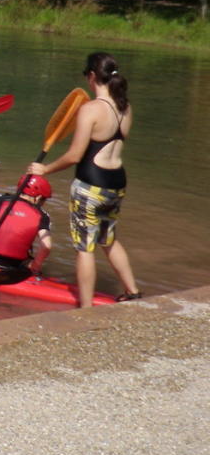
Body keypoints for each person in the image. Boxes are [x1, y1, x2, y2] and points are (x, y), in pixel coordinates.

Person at [28, 52, 141, 306]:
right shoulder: (125, 107)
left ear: (91, 76)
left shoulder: (90, 109)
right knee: (108, 239)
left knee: (84, 247)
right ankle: (132, 292)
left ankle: (86, 308)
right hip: (117, 183)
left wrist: (44, 170)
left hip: (91, 184)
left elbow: (75, 155)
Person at [0, 174, 52, 274]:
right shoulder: (42, 215)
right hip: (15, 266)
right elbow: (46, 246)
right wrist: (36, 265)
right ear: (38, 197)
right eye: (44, 200)